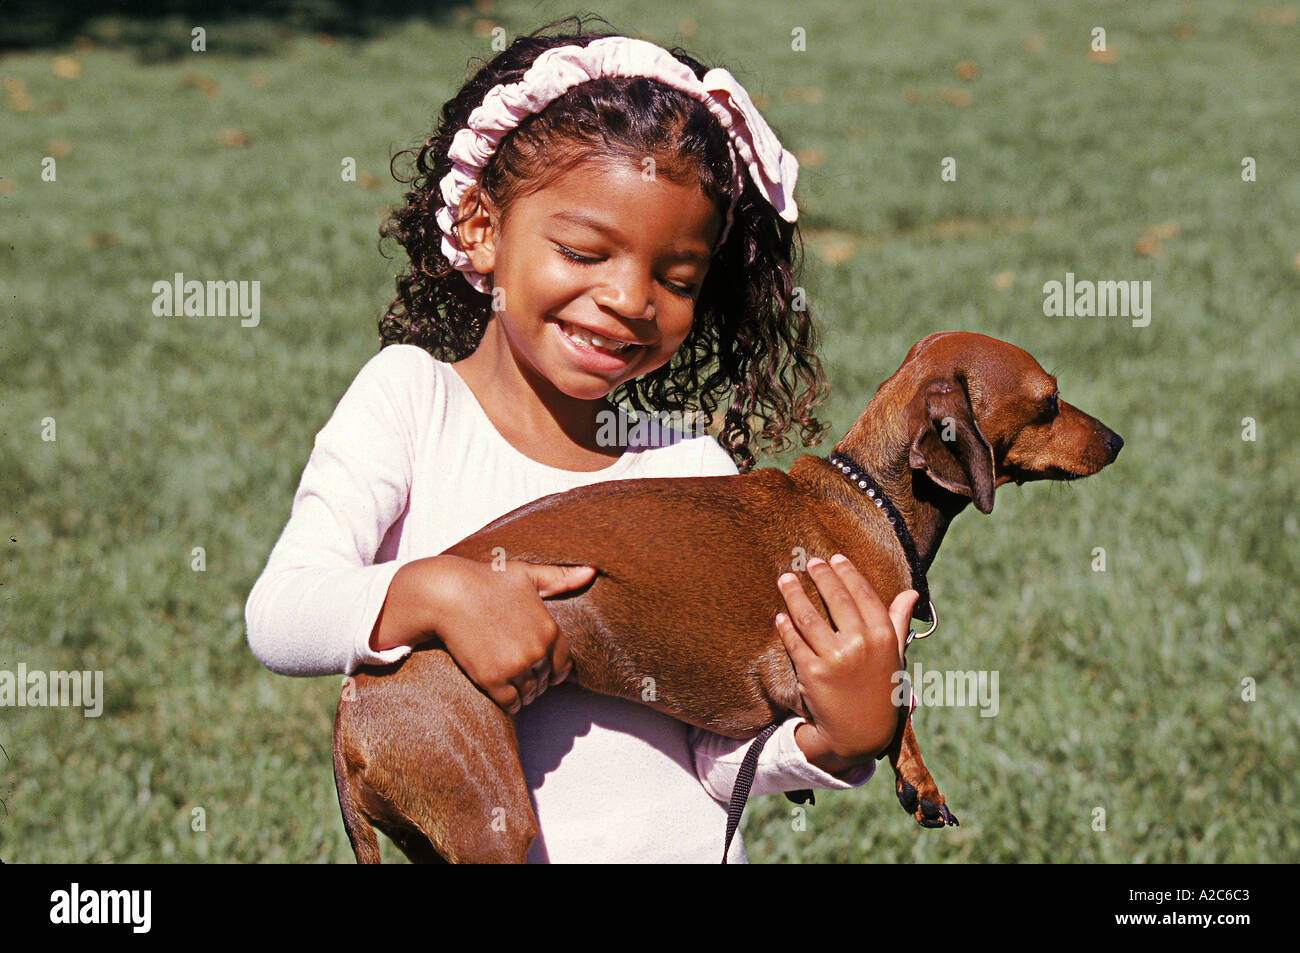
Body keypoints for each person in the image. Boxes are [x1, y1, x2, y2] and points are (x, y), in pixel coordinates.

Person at [245, 18, 917, 863]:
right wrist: (439, 594)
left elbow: (713, 761)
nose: (630, 298)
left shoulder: (689, 468)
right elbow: (279, 612)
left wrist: (833, 737)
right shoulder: (412, 402)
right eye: (582, 250)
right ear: (483, 228)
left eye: (677, 279)